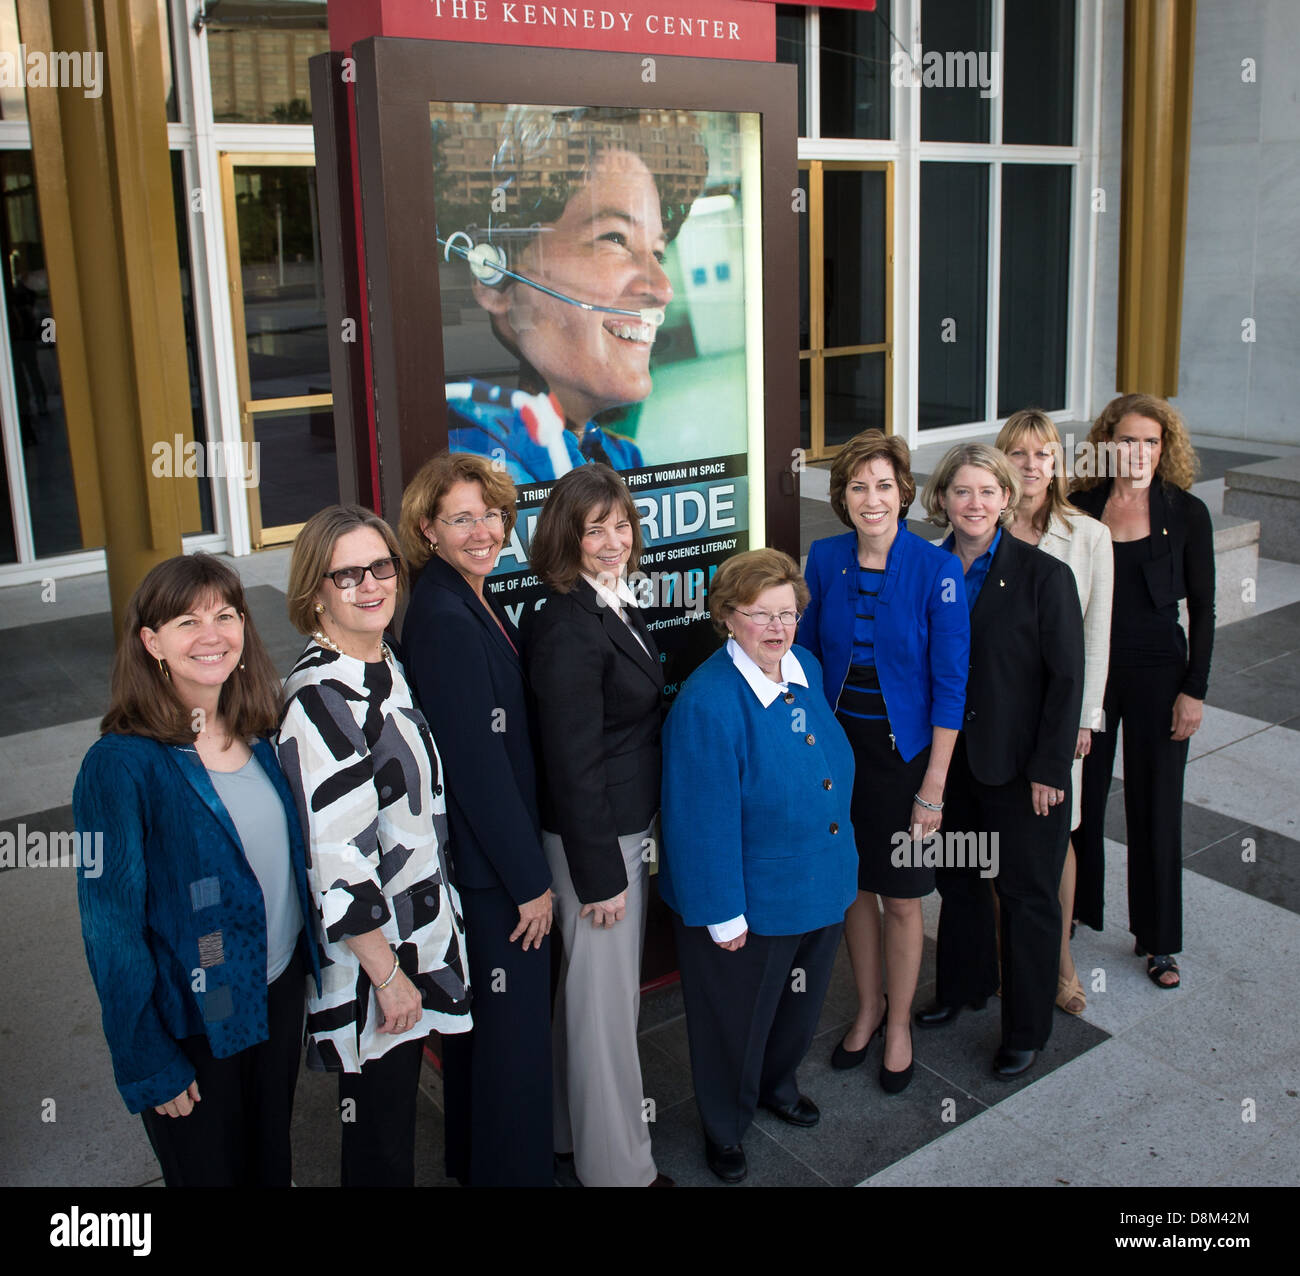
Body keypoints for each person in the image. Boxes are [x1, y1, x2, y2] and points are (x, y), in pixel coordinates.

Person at [73, 553, 320, 1186]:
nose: (212, 634)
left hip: (276, 990)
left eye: (225, 614)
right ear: (151, 642)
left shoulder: (258, 732)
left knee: (270, 1161)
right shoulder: (120, 764)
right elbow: (111, 930)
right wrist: (147, 1059)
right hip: (193, 1018)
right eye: (187, 621)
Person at [276, 505, 471, 1187]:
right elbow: (338, 864)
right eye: (347, 574)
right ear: (315, 591)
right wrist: (388, 978)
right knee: (379, 1144)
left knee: (391, 1126)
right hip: (374, 963)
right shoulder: (322, 698)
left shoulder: (379, 658)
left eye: (381, 566)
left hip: (411, 937)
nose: (371, 584)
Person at [660, 548, 857, 1183]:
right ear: (726, 618)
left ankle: (777, 1084)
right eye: (759, 615)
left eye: (788, 613)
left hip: (816, 882)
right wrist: (723, 915)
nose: (777, 628)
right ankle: (725, 1126)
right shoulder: (708, 703)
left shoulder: (806, 667)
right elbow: (699, 819)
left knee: (796, 1008)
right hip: (752, 899)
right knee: (732, 1026)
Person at [398, 452, 554, 1187]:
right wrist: (530, 882)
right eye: (462, 518)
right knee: (512, 1045)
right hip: (496, 877)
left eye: (492, 514)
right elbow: (476, 767)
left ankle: (473, 1164)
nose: (484, 530)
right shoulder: (445, 617)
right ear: (428, 529)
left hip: (488, 867)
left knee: (481, 1038)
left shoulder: (464, 595)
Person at [798, 430, 969, 1093]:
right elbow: (806, 662)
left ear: (905, 493)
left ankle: (899, 1021)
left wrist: (934, 787)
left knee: (901, 899)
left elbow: (952, 686)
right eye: (858, 486)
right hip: (841, 757)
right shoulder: (824, 557)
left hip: (905, 763)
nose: (873, 498)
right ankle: (866, 1007)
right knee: (854, 894)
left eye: (885, 485)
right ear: (842, 497)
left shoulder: (937, 570)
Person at [914, 444, 1084, 1079]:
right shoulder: (925, 571)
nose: (974, 504)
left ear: (1007, 498)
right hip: (949, 767)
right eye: (962, 491)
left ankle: (1027, 1028)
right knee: (959, 883)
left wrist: (1050, 769)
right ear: (943, 501)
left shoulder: (1046, 577)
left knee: (1026, 896)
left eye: (987, 491)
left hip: (1019, 772)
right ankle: (963, 988)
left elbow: (1067, 680)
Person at [524, 463, 671, 1187]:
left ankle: (564, 1134)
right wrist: (601, 876)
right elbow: (571, 763)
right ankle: (619, 1171)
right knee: (607, 1013)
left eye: (621, 524)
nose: (614, 541)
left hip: (615, 830)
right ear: (566, 535)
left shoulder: (607, 599)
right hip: (597, 843)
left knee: (584, 1002)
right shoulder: (565, 623)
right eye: (595, 529)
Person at [438, 106, 708, 482]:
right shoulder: (470, 470)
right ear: (492, 273)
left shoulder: (622, 457)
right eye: (615, 238)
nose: (663, 289)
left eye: (658, 253)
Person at [1071, 394, 1214, 991]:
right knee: (1085, 797)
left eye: (1151, 441)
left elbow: (1203, 610)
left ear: (1165, 447)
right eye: (1128, 440)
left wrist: (1194, 690)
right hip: (1092, 672)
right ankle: (1077, 912)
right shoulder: (1080, 505)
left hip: (1161, 671)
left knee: (1156, 805)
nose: (1139, 452)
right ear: (1107, 444)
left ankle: (1157, 940)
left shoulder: (1186, 512)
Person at [997, 410, 1113, 1016]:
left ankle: (1059, 962)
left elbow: (1098, 637)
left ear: (1058, 464)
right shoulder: (980, 526)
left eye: (1043, 454)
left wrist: (1085, 720)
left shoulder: (1089, 537)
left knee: (1054, 836)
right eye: (1018, 454)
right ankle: (1003, 950)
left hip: (1057, 719)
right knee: (997, 831)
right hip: (991, 719)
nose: (1032, 466)